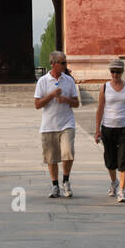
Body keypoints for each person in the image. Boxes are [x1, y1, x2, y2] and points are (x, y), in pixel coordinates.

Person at [34, 50, 80, 198]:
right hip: (49, 124)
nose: (65, 65)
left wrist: (66, 99)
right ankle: (55, 185)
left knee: (68, 153)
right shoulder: (42, 82)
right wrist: (52, 95)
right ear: (53, 64)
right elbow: (37, 104)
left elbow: (76, 103)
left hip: (67, 123)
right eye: (63, 63)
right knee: (51, 157)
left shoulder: (69, 80)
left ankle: (65, 180)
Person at [93, 58, 125, 203]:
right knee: (110, 160)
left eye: (118, 72)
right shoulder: (105, 87)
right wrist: (97, 129)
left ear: (122, 72)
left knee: (124, 158)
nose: (115, 75)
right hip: (108, 127)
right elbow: (100, 109)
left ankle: (122, 190)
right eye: (112, 71)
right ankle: (114, 182)